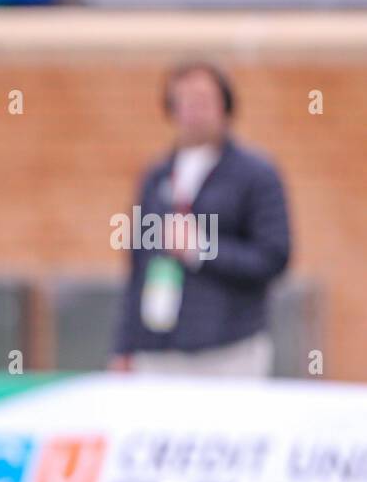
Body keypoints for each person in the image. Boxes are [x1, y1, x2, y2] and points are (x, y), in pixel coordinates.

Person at [110, 61, 292, 376]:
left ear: (225, 105)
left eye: (203, 100)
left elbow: (273, 256)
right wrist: (124, 346)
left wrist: (202, 249)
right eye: (184, 101)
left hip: (228, 349)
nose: (194, 111)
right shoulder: (157, 176)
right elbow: (138, 264)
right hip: (159, 348)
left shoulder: (255, 174)